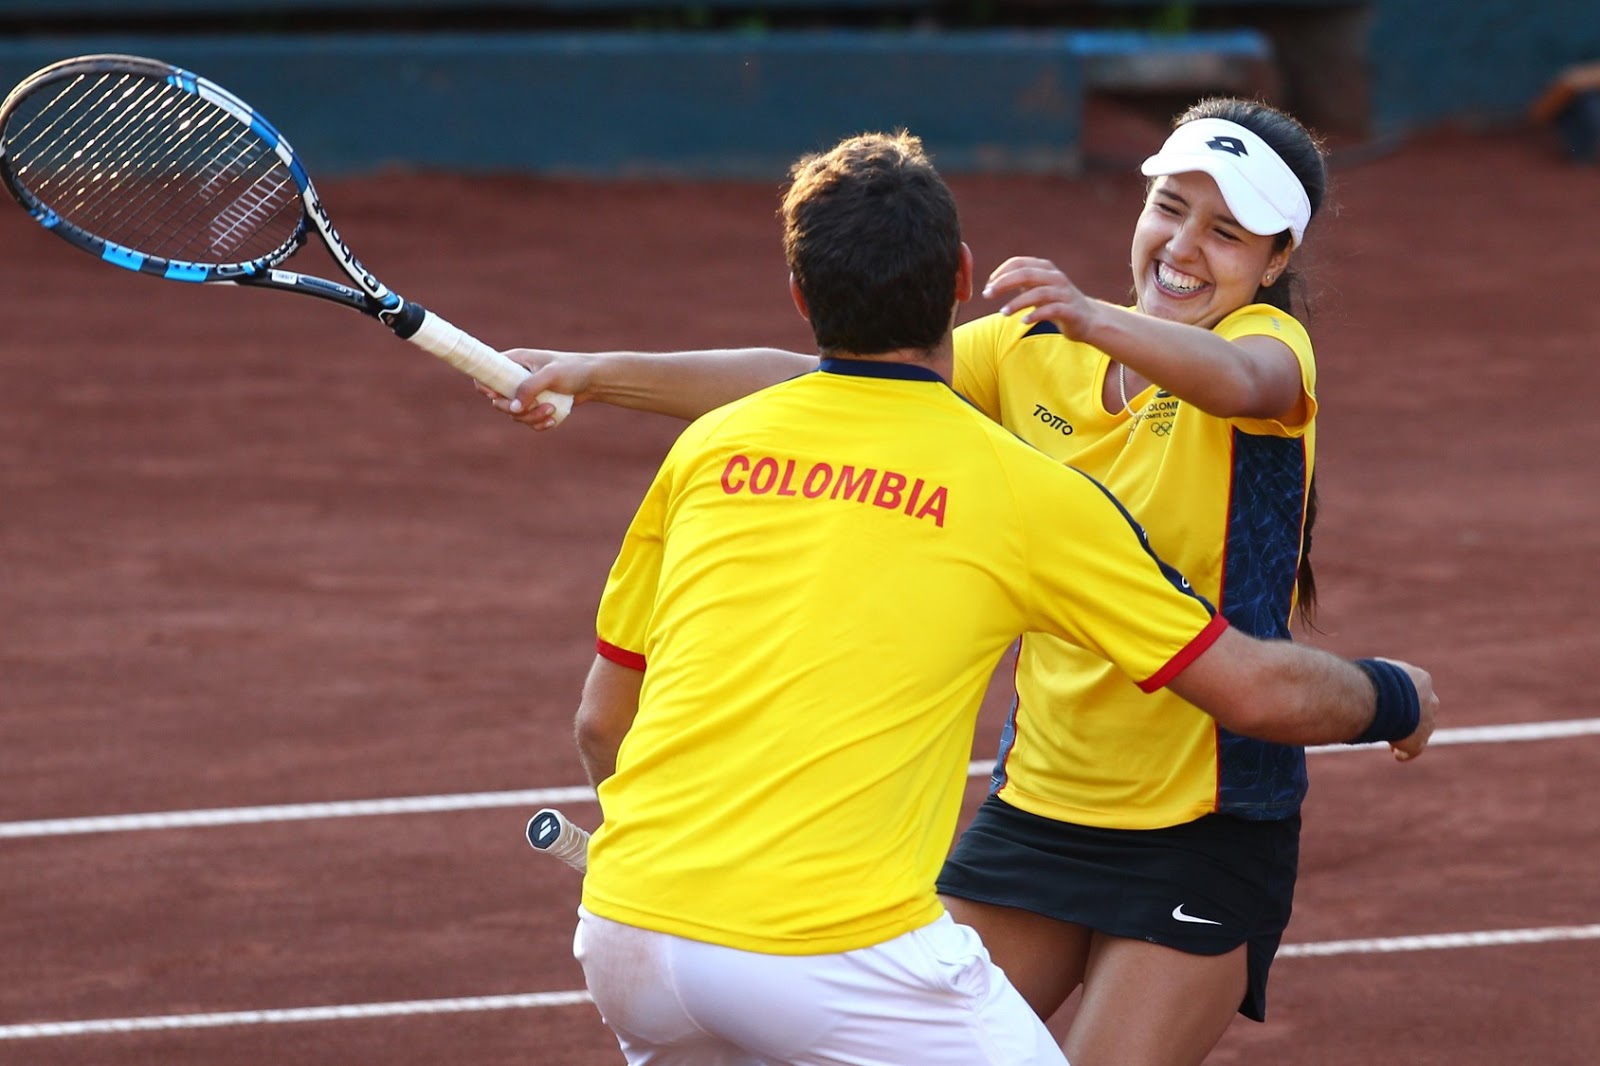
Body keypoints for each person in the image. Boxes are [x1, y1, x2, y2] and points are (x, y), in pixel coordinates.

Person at [558, 128, 1435, 1066]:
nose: (1182, 246)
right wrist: (593, 375)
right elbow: (834, 382)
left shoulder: (1266, 346)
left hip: (1203, 824)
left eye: (1226, 232)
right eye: (1169, 209)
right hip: (1040, 810)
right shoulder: (1032, 347)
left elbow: (1240, 380)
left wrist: (1093, 318)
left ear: (1278, 259)